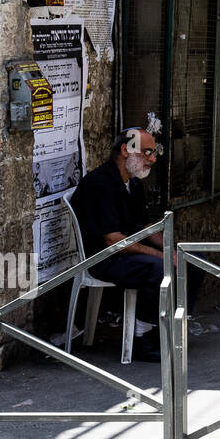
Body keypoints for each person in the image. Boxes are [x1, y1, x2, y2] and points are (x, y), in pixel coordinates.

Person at [71, 127, 183, 363]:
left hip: (126, 253)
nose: (152, 159)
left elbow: (144, 226)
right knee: (156, 268)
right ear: (125, 150)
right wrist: (158, 255)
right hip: (104, 259)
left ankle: (171, 329)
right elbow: (113, 240)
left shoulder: (132, 184)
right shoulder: (100, 184)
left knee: (187, 261)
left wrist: (170, 251)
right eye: (147, 152)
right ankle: (141, 336)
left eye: (153, 153)